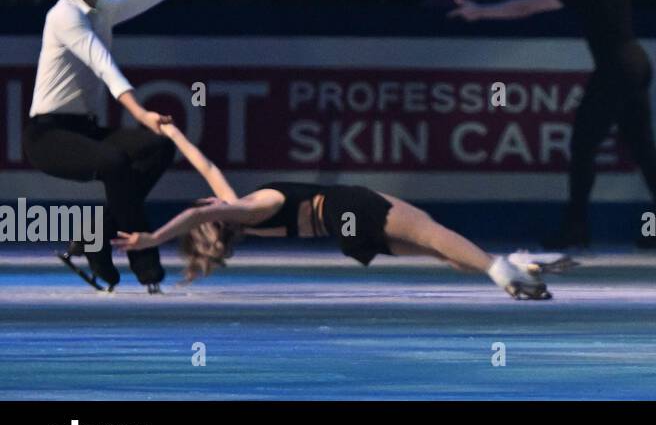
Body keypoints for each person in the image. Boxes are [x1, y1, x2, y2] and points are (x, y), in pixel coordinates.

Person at [22, 0, 239, 292]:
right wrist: (140, 111)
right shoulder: (63, 17)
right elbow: (104, 66)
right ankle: (146, 268)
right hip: (47, 137)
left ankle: (95, 237)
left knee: (156, 148)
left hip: (84, 131)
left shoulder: (104, 10)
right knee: (115, 161)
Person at [112, 123, 572, 300]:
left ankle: (522, 267)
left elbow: (208, 167)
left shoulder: (245, 217)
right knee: (434, 234)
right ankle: (503, 270)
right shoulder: (248, 208)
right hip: (347, 206)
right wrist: (153, 240)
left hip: (342, 234)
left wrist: (173, 136)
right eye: (206, 204)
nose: (208, 197)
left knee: (443, 253)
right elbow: (197, 214)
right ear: (213, 218)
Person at [452, 0, 656, 252]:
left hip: (617, 68)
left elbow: (528, 6)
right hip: (634, 62)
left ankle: (577, 228)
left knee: (583, 146)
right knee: (642, 147)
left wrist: (481, 11)